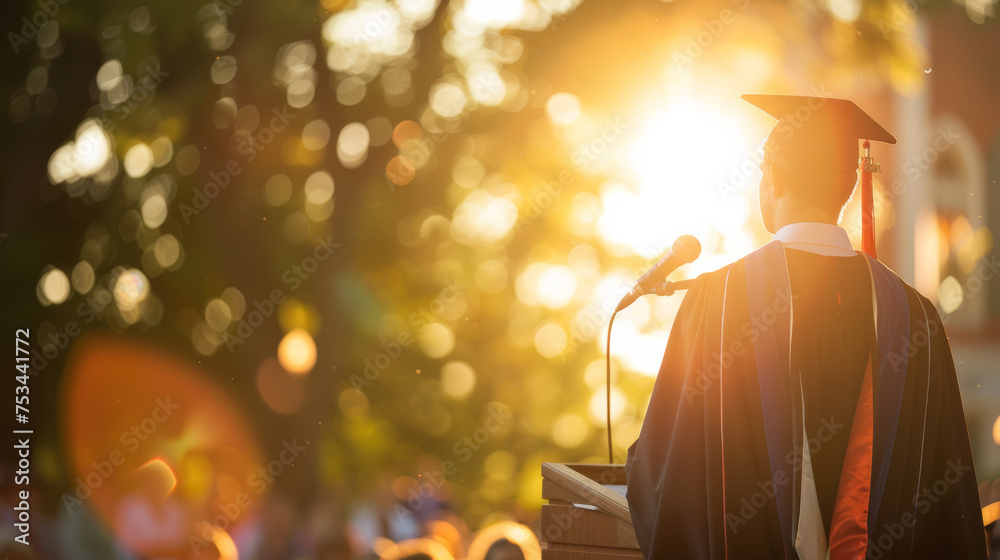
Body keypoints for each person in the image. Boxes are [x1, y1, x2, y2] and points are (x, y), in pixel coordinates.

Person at [625, 95, 987, 559]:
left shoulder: (718, 302)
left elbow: (666, 475)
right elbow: (949, 498)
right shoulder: (914, 317)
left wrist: (636, 462)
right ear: (852, 184)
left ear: (772, 178)